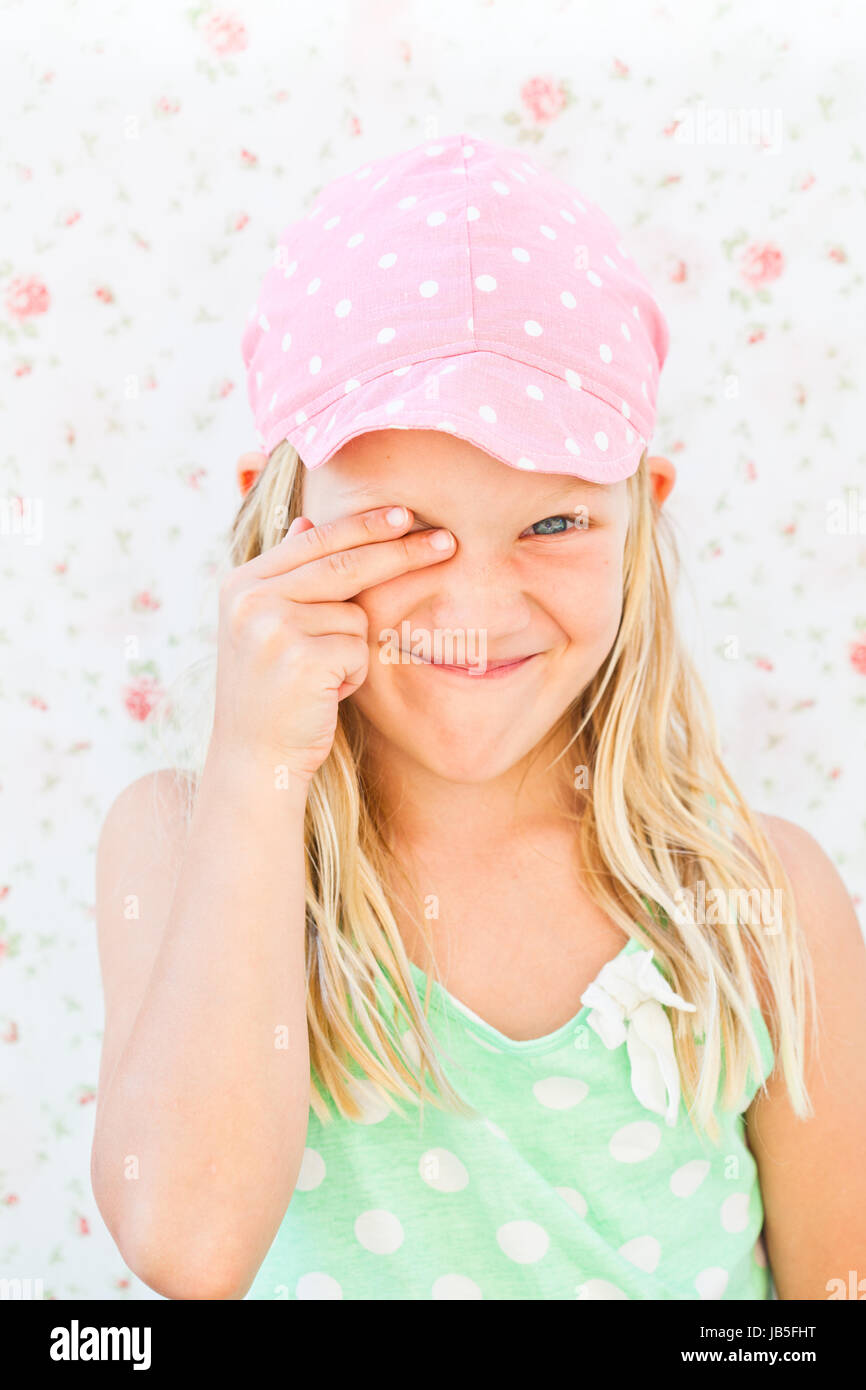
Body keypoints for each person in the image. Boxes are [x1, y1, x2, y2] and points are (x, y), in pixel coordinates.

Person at [90, 133, 866, 1301]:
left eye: (553, 526)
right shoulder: (189, 839)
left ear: (638, 516)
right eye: (400, 528)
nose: (476, 606)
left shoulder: (759, 898)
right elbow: (187, 1249)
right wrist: (258, 766)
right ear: (281, 516)